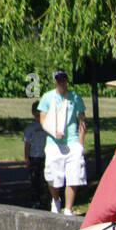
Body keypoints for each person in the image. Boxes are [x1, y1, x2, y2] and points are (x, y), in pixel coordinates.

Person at [37, 69, 87, 215]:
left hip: (72, 142)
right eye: (59, 79)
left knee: (74, 175)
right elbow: (43, 119)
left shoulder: (75, 97)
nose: (61, 81)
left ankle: (69, 209)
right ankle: (56, 199)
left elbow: (82, 119)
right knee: (53, 176)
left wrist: (80, 142)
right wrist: (53, 132)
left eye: (64, 78)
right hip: (54, 143)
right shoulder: (47, 97)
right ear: (54, 81)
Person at [22, 102, 47, 208]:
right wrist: (26, 157)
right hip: (34, 157)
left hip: (46, 155)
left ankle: (45, 200)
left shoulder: (47, 125)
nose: (38, 117)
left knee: (46, 179)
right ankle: (35, 201)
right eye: (36, 115)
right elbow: (27, 143)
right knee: (34, 180)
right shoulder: (31, 127)